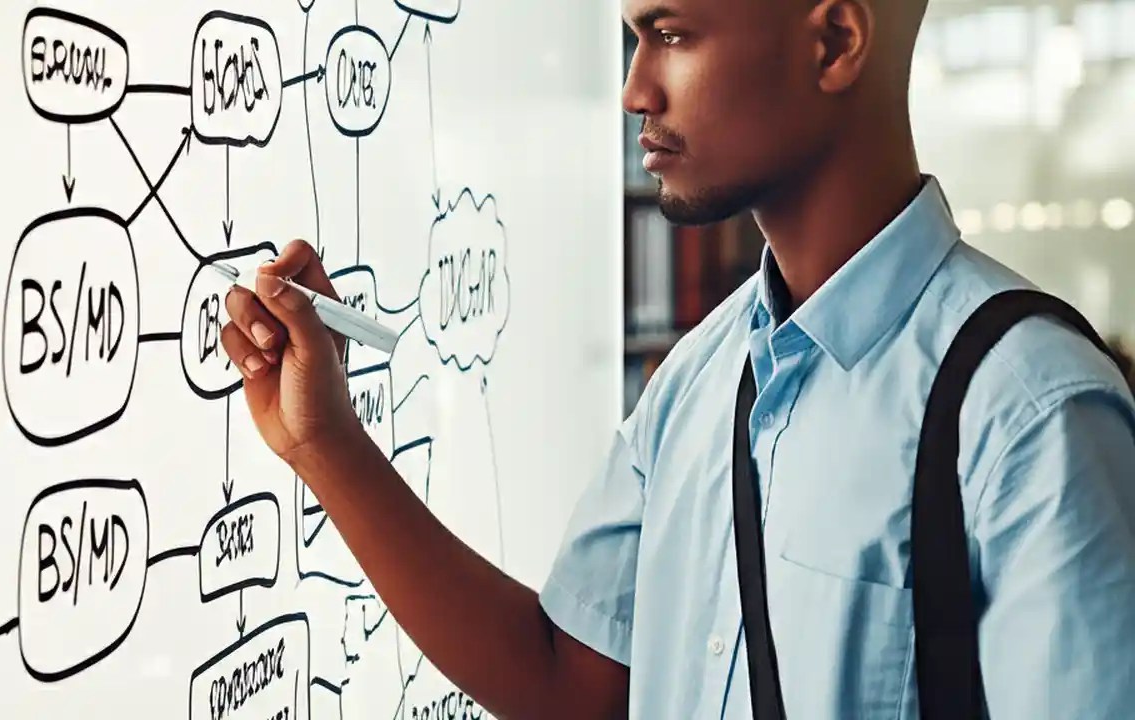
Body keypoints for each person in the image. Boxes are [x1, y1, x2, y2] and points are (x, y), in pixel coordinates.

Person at [220, 0, 1135, 716]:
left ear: (834, 44)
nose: (633, 91)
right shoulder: (699, 380)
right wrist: (323, 442)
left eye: (670, 34)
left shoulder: (1031, 415)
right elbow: (570, 683)